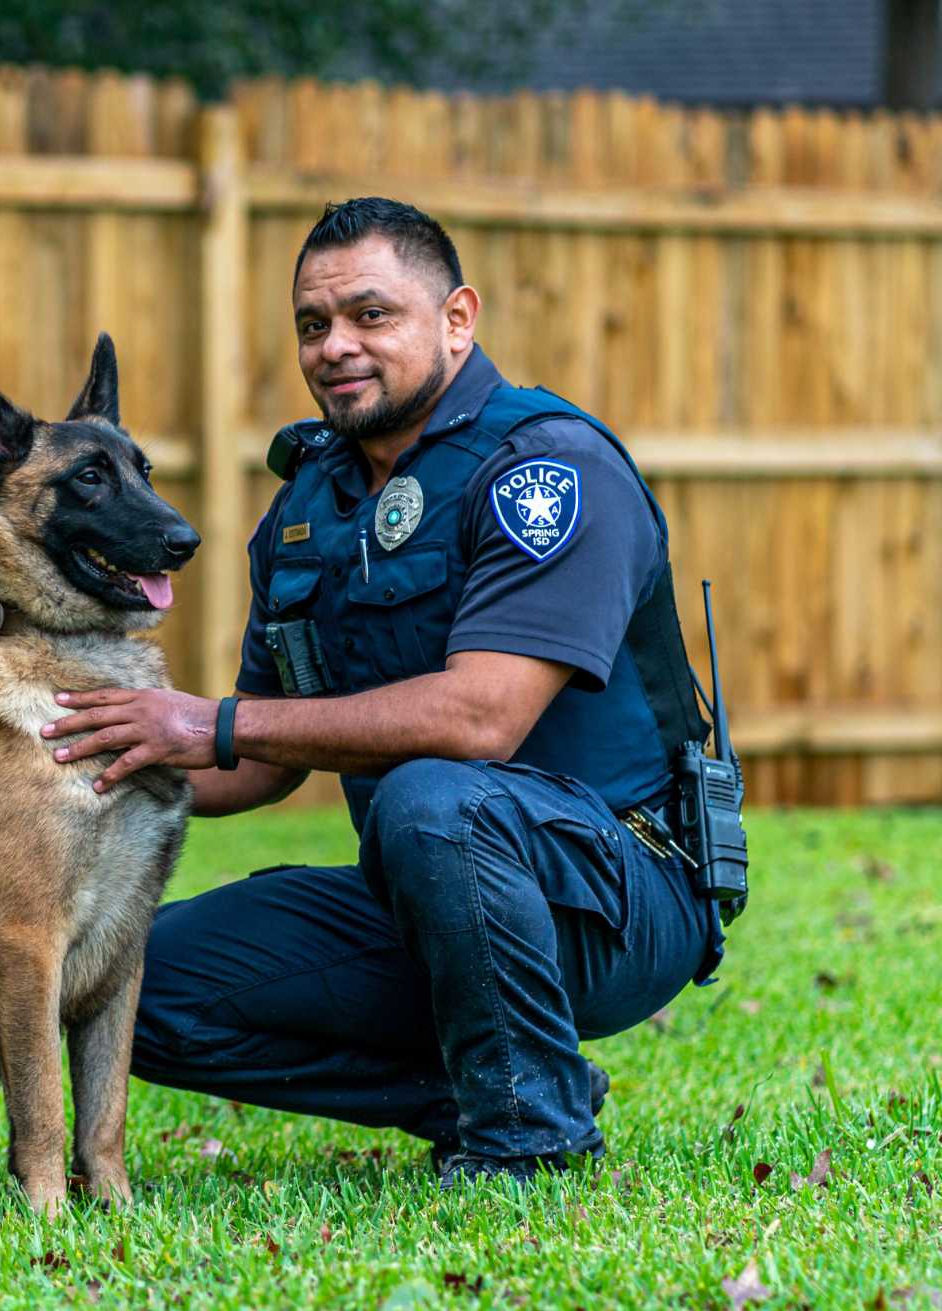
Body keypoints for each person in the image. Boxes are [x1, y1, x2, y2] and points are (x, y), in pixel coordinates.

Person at [40, 197, 726, 1186]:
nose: (334, 346)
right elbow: (261, 759)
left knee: (428, 793)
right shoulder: (305, 511)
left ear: (456, 319)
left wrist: (209, 720)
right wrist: (79, 769)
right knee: (123, 984)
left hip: (621, 893)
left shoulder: (544, 469)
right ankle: (488, 1092)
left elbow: (478, 719)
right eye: (311, 326)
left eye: (370, 315)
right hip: (424, 890)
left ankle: (527, 1139)